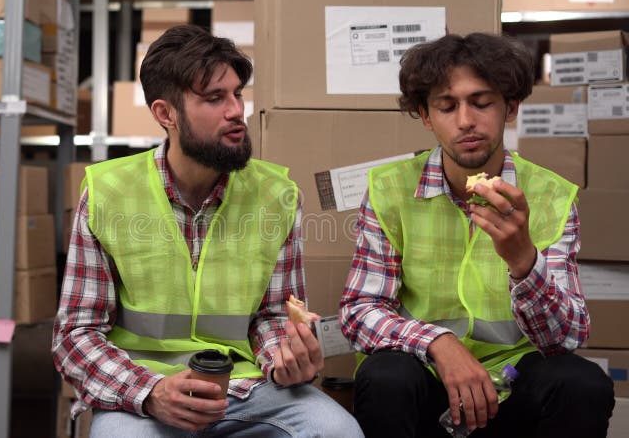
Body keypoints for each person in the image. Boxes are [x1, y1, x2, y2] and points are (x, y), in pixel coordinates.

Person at [52, 24, 363, 438]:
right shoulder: (109, 193)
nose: (236, 111)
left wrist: (284, 358)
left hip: (248, 386)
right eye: (214, 98)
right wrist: (151, 391)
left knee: (338, 431)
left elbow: (271, 316)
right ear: (166, 114)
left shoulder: (277, 194)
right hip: (145, 394)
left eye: (237, 94)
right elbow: (76, 334)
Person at [339, 33, 614, 438]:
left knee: (582, 383)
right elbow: (359, 310)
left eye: (482, 103)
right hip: (428, 378)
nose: (466, 120)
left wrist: (524, 262)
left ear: (511, 107)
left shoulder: (551, 195)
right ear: (427, 117)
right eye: (447, 107)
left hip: (514, 380)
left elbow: (568, 338)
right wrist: (440, 344)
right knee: (385, 376)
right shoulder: (390, 189)